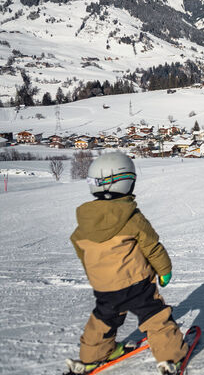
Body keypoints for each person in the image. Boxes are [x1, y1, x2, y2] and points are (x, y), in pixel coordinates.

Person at [67, 152, 188, 375]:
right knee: (155, 317)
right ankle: (170, 357)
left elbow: (81, 249)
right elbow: (152, 246)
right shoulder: (132, 217)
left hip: (104, 287)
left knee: (103, 319)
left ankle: (92, 356)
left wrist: (95, 275)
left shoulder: (84, 223)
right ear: (126, 182)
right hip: (136, 284)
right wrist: (164, 270)